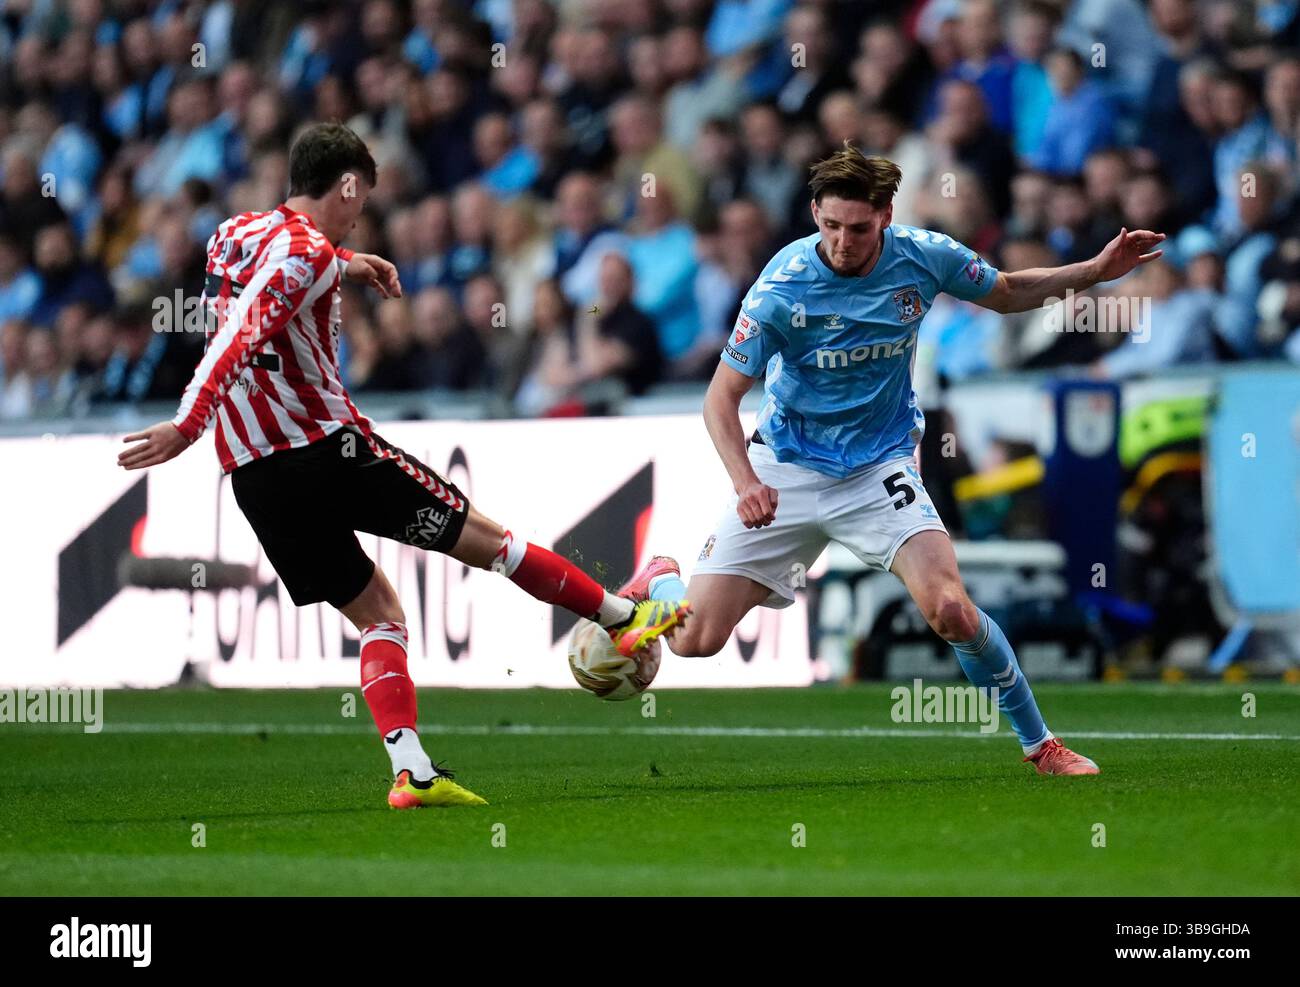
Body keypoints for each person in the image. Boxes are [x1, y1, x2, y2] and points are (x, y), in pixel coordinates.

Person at [116, 123, 689, 809]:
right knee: (491, 542)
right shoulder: (302, 254)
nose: (362, 212)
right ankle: (622, 613)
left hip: (257, 478)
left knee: (380, 613)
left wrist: (350, 262)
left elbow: (270, 277)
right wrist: (188, 421)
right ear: (348, 185)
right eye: (361, 198)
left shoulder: (231, 235)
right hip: (330, 451)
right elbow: (244, 327)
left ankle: (412, 771)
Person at [622, 144, 1166, 776]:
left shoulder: (922, 256)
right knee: (695, 640)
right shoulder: (779, 288)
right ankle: (661, 576)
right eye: (829, 226)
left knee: (951, 609)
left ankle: (1040, 745)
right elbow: (720, 401)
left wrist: (1095, 273)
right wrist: (745, 482)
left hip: (879, 468)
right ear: (814, 214)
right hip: (787, 468)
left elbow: (1010, 291)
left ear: (884, 215)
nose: (843, 243)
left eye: (857, 228)